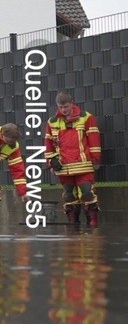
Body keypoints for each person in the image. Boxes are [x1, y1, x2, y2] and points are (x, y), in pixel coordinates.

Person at [45, 91, 102, 226]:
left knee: (87, 193)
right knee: (69, 196)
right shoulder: (52, 122)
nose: (63, 110)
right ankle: (73, 225)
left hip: (83, 164)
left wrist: (95, 159)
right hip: (63, 167)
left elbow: (94, 140)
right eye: (61, 107)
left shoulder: (86, 118)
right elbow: (48, 144)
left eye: (66, 107)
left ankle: (92, 224)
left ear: (72, 103)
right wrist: (51, 162)